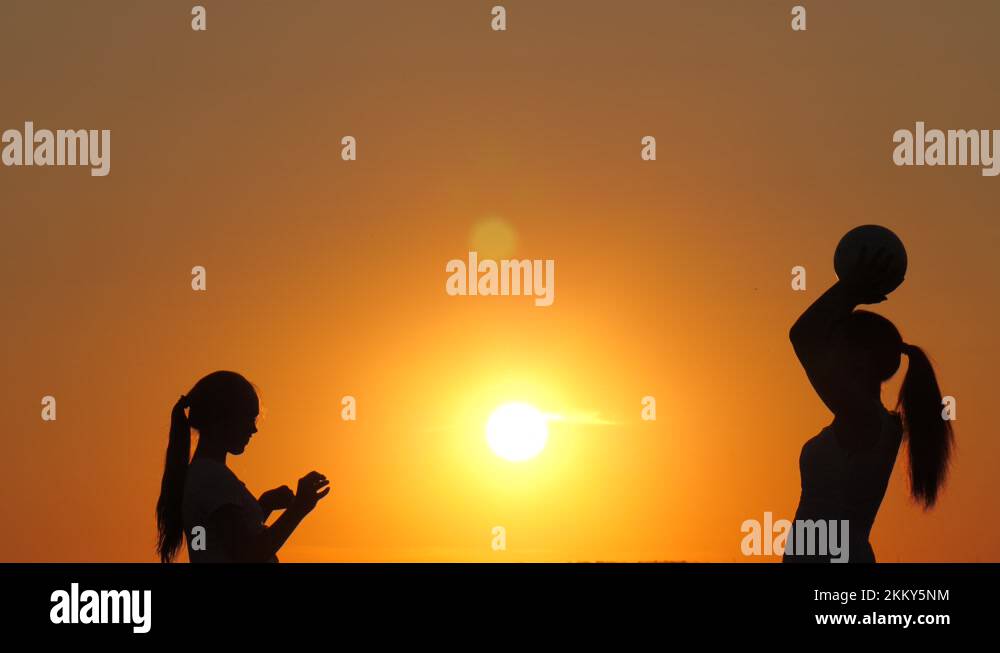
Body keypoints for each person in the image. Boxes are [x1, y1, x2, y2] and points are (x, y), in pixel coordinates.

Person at [785, 247, 954, 562]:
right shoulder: (875, 421)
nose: (828, 354)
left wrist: (849, 289)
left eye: (836, 345)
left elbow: (802, 336)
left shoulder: (860, 416)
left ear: (860, 357)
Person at [155, 371, 330, 562]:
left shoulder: (206, 474)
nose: (254, 429)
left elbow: (224, 537)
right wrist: (299, 508)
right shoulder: (211, 478)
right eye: (248, 418)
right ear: (222, 417)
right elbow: (249, 552)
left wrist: (264, 505)